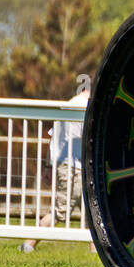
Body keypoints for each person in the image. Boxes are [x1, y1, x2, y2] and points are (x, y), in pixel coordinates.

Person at [19, 89, 93, 253]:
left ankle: (95, 252)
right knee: (61, 211)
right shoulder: (86, 108)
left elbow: (53, 139)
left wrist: (48, 166)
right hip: (76, 165)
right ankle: (28, 244)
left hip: (65, 164)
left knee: (92, 211)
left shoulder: (66, 106)